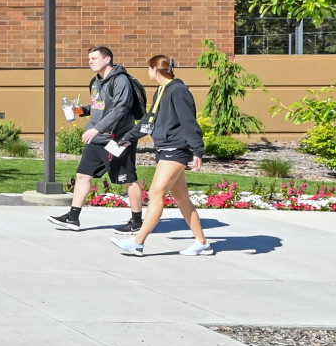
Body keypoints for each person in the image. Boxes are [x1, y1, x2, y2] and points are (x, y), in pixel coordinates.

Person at [111, 55, 213, 256]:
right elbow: (149, 120)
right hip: (166, 147)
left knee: (156, 193)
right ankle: (202, 242)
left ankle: (138, 242)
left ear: (154, 70)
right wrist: (127, 138)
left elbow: (189, 122)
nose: (147, 72)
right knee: (181, 196)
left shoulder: (178, 91)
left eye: (148, 69)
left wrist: (198, 151)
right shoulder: (161, 91)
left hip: (176, 149)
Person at [49, 46, 146, 232]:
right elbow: (99, 106)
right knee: (83, 175)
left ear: (107, 59)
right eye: (89, 59)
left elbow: (119, 108)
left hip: (117, 139)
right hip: (97, 139)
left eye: (94, 58)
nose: (90, 61)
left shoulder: (120, 80)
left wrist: (97, 129)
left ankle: (136, 222)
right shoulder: (95, 82)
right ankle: (73, 218)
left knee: (128, 180)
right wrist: (81, 110)